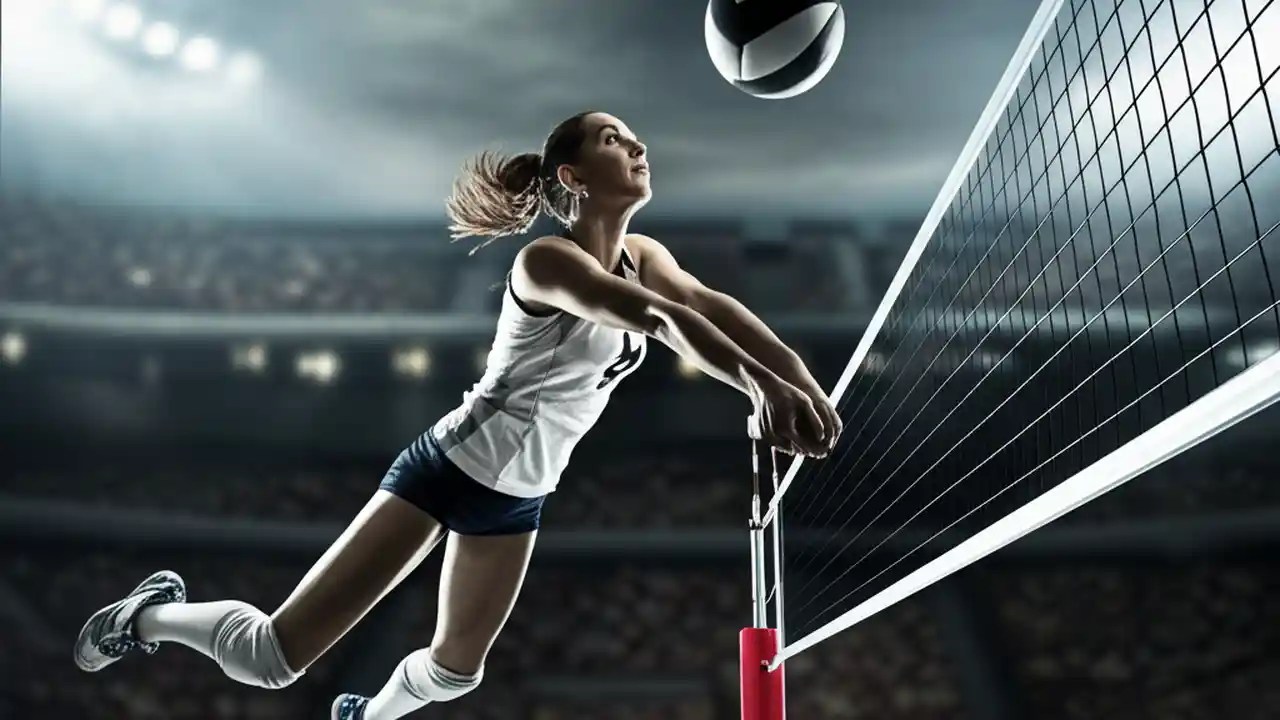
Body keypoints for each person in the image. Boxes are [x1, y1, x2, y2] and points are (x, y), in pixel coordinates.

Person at [73, 110, 842, 719]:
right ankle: (148, 617)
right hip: (448, 470)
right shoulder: (548, 261)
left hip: (520, 495)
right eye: (615, 139)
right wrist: (759, 387)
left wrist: (803, 385)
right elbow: (661, 319)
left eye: (635, 137)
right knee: (272, 659)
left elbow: (710, 306)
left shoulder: (645, 254)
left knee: (455, 673)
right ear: (572, 176)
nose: (639, 147)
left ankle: (365, 716)